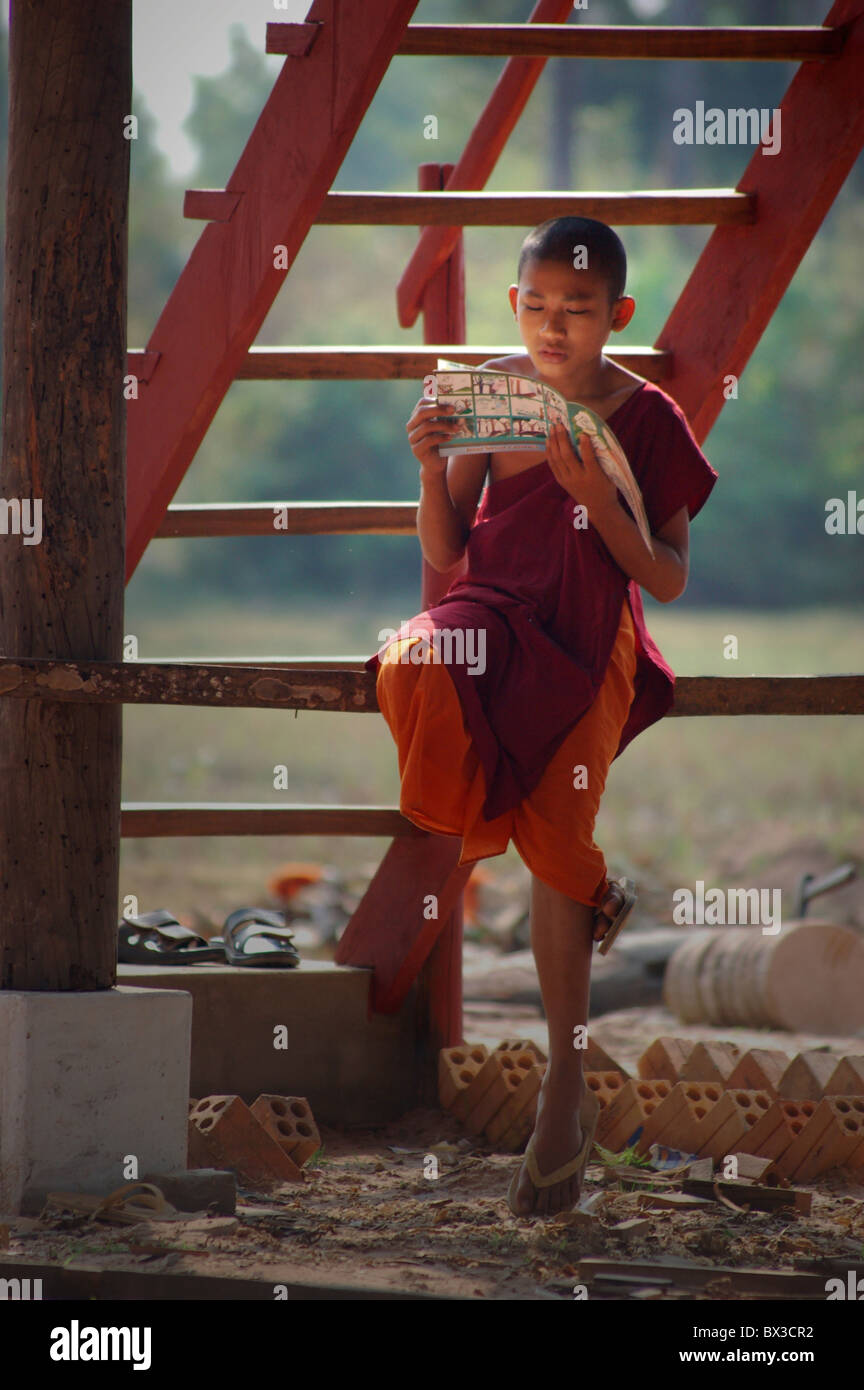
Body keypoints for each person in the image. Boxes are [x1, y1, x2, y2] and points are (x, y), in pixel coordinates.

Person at [365, 216, 718, 1217]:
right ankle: (556, 862)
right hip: (491, 614)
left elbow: (670, 573)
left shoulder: (645, 419)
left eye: (579, 309)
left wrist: (597, 499)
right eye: (538, 307)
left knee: (555, 830)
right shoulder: (490, 392)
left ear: (619, 315)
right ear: (516, 305)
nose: (555, 327)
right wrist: (431, 469)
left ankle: (564, 1093)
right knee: (412, 659)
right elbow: (447, 550)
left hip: (590, 631)